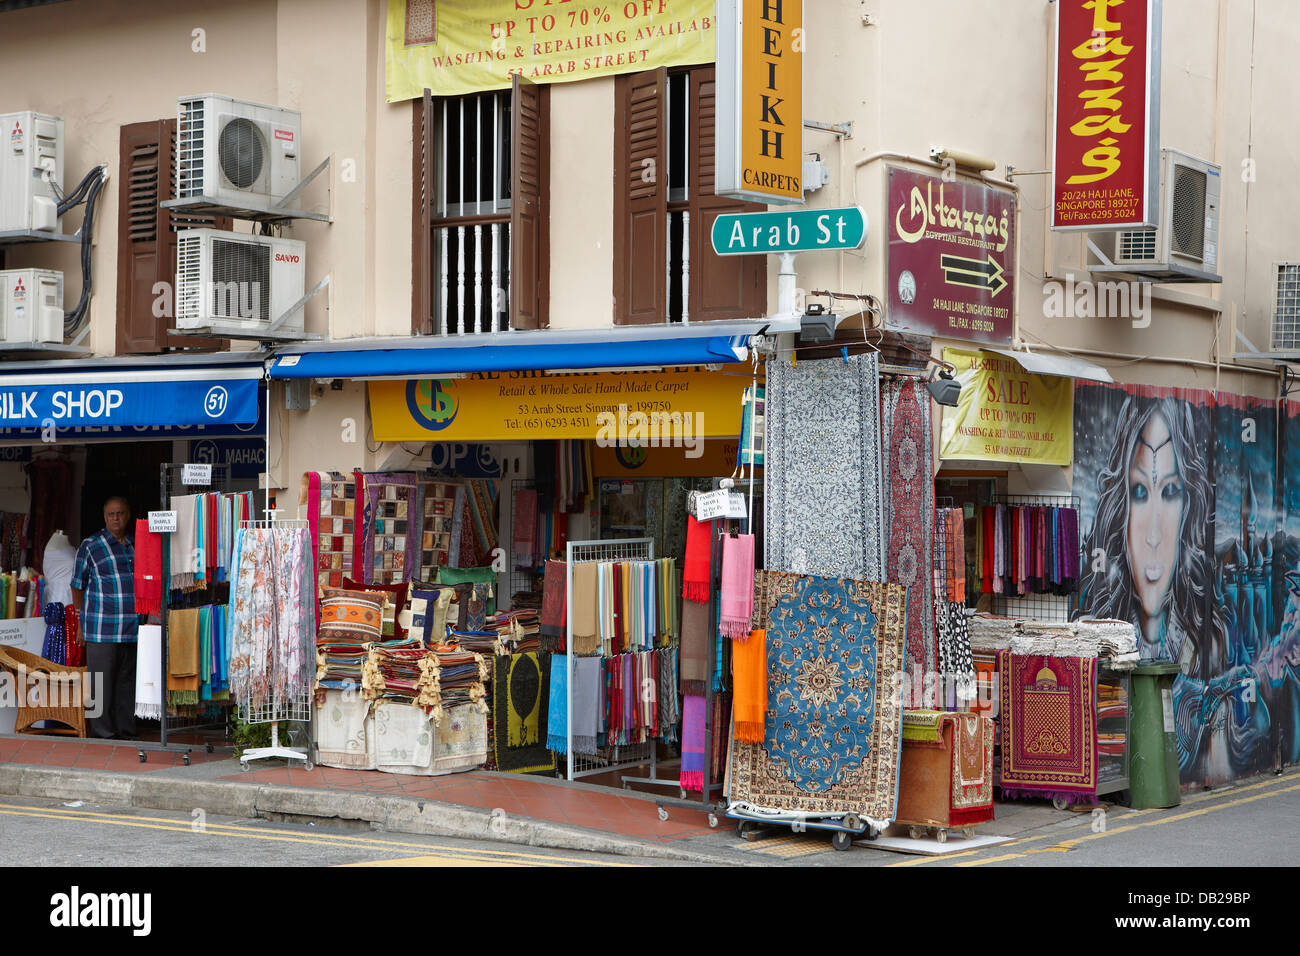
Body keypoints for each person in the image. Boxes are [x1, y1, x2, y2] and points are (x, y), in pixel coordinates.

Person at [1077, 396, 1270, 782]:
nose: (1152, 534)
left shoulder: (1212, 641)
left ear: (1189, 508)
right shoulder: (1091, 636)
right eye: (1139, 492)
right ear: (1121, 506)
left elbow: (1259, 721)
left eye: (1169, 492)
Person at [71, 496, 138, 740]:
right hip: (101, 627)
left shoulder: (134, 544)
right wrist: (80, 621)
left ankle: (126, 729)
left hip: (131, 626)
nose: (116, 518)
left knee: (126, 682)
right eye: (111, 514)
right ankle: (102, 733)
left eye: (120, 513)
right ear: (104, 517)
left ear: (127, 515)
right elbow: (77, 584)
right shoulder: (91, 545)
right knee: (101, 683)